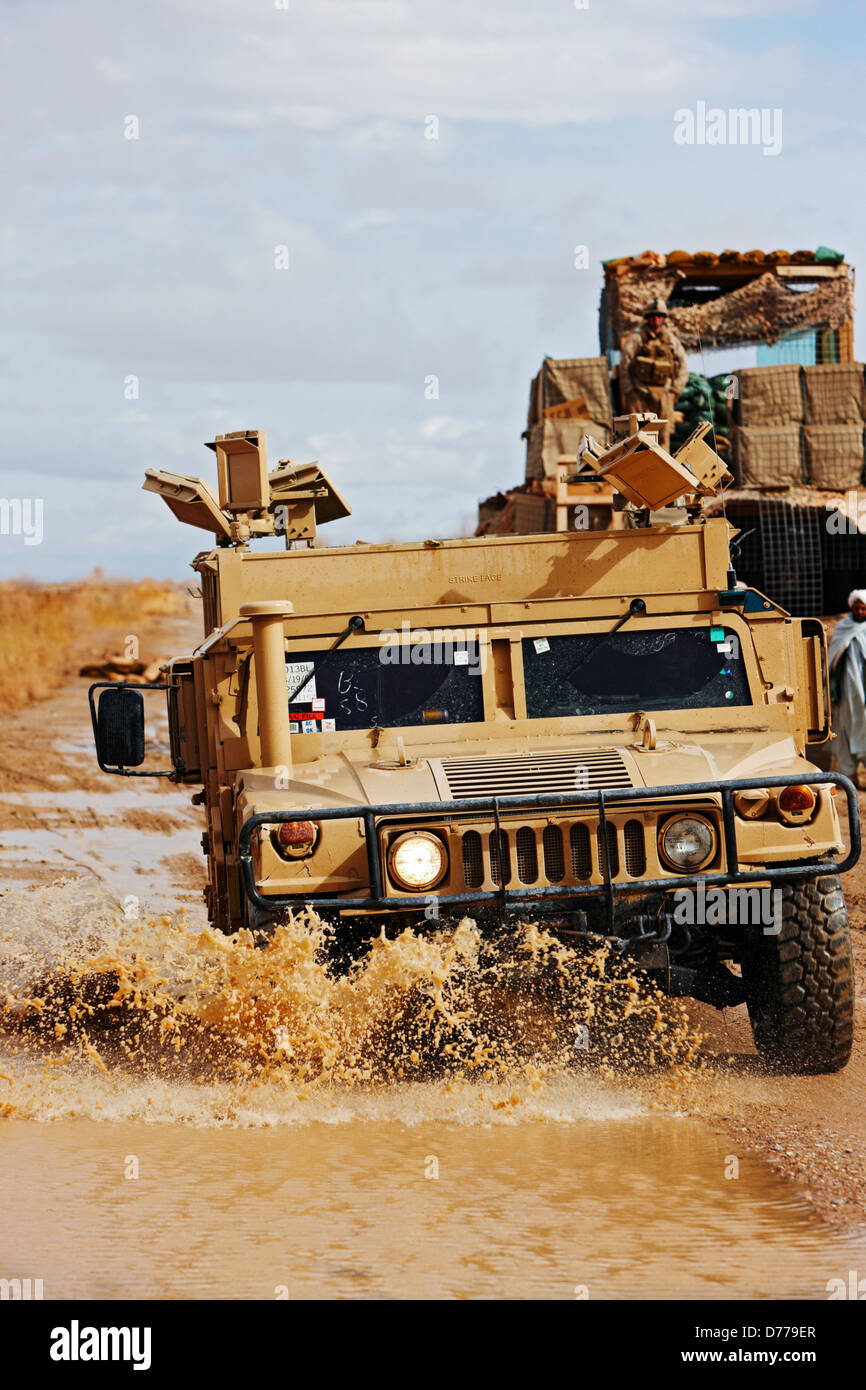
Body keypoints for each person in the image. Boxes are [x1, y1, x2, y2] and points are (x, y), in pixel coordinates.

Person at [620, 297, 689, 452]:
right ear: (647, 318)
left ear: (663, 318)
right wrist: (630, 391)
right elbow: (625, 365)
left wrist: (674, 392)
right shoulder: (636, 339)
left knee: (663, 437)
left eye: (659, 316)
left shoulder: (671, 341)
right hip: (640, 394)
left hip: (664, 395)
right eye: (652, 316)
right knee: (637, 437)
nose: (656, 319)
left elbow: (682, 369)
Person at [829, 590, 866, 782]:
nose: (860, 611)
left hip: (864, 690)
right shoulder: (843, 627)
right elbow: (832, 658)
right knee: (844, 730)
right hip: (845, 691)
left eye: (863, 608)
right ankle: (850, 778)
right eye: (856, 608)